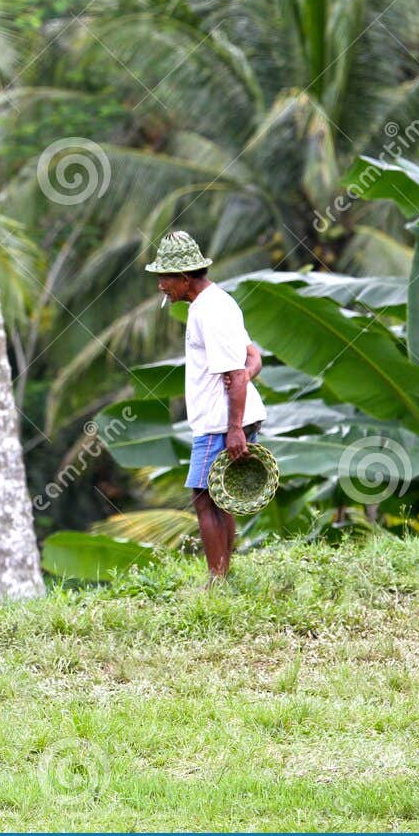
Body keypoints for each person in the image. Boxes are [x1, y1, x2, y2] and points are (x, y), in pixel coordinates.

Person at [145, 231, 265, 581]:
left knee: (204, 497)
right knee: (219, 496)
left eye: (164, 278)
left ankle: (217, 580)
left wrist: (235, 428)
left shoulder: (208, 311)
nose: (161, 286)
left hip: (218, 421)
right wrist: (242, 374)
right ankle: (224, 575)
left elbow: (239, 372)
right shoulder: (218, 302)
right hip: (223, 418)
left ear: (184, 277)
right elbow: (252, 358)